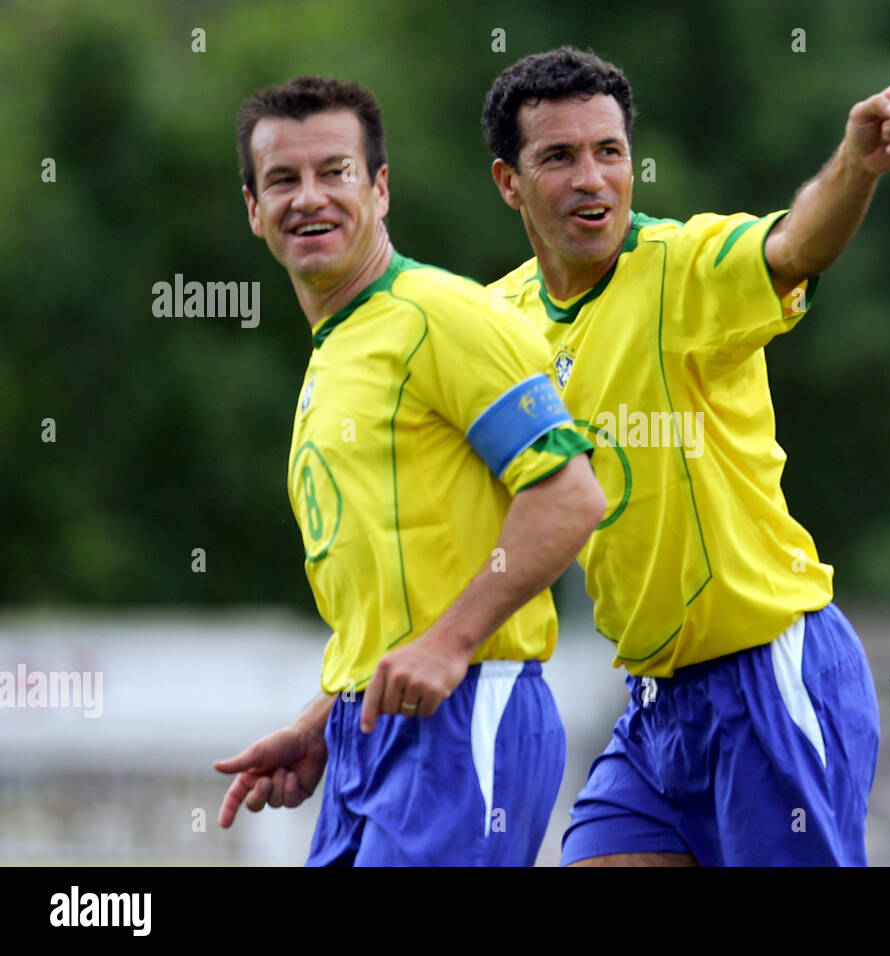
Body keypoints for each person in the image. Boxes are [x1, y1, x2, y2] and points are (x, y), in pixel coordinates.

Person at [482, 47, 890, 865]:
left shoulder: (683, 268)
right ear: (508, 182)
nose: (592, 177)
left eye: (609, 152)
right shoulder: (498, 322)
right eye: (558, 156)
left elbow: (796, 245)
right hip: (657, 708)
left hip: (767, 674)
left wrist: (856, 167)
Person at [212, 76, 606, 865]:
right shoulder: (336, 354)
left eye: (336, 172)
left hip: (471, 720)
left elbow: (570, 496)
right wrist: (323, 720)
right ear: (254, 209)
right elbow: (406, 590)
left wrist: (450, 645)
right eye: (283, 180)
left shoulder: (441, 315)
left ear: (380, 189)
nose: (309, 197)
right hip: (365, 738)